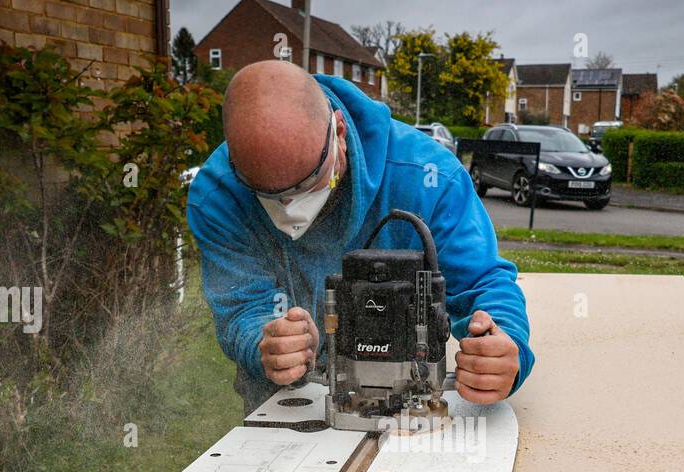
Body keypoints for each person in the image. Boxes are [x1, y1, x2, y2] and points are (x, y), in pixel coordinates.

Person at [186, 61, 533, 414]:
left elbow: (481, 283)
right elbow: (241, 305)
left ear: (338, 132)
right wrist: (266, 341)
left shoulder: (428, 177)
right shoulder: (219, 195)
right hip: (285, 402)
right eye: (267, 194)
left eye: (305, 183)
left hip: (410, 397)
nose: (289, 208)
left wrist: (504, 345)